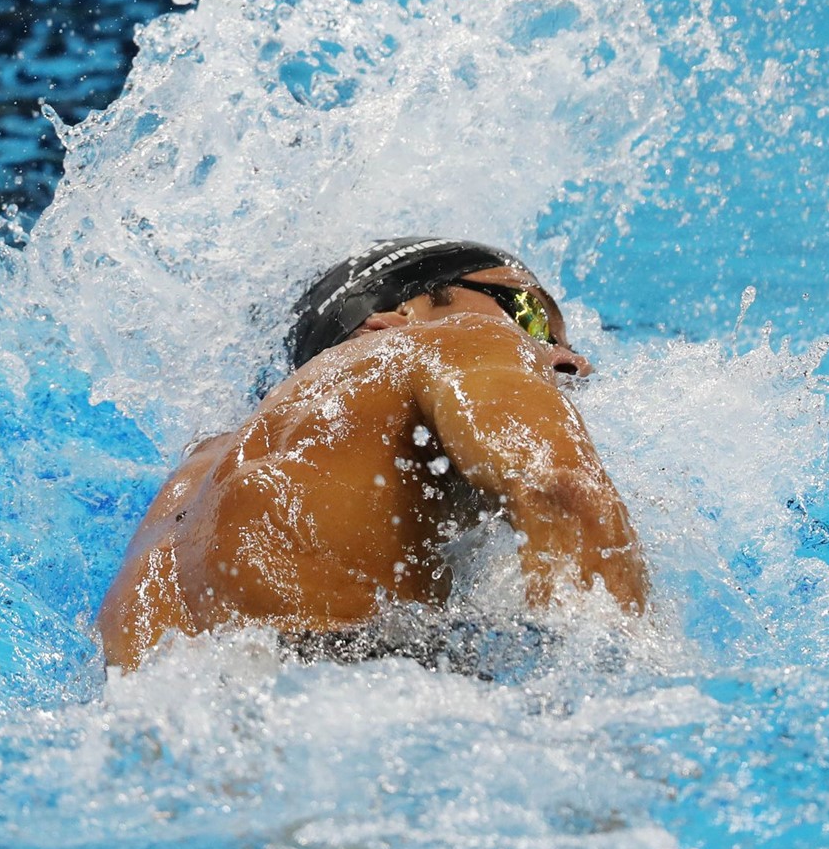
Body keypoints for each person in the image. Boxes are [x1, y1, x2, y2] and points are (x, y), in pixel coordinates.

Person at [95, 236, 649, 672]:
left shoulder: (193, 479)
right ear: (393, 315)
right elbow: (559, 487)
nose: (569, 363)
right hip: (356, 698)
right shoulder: (451, 338)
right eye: (527, 316)